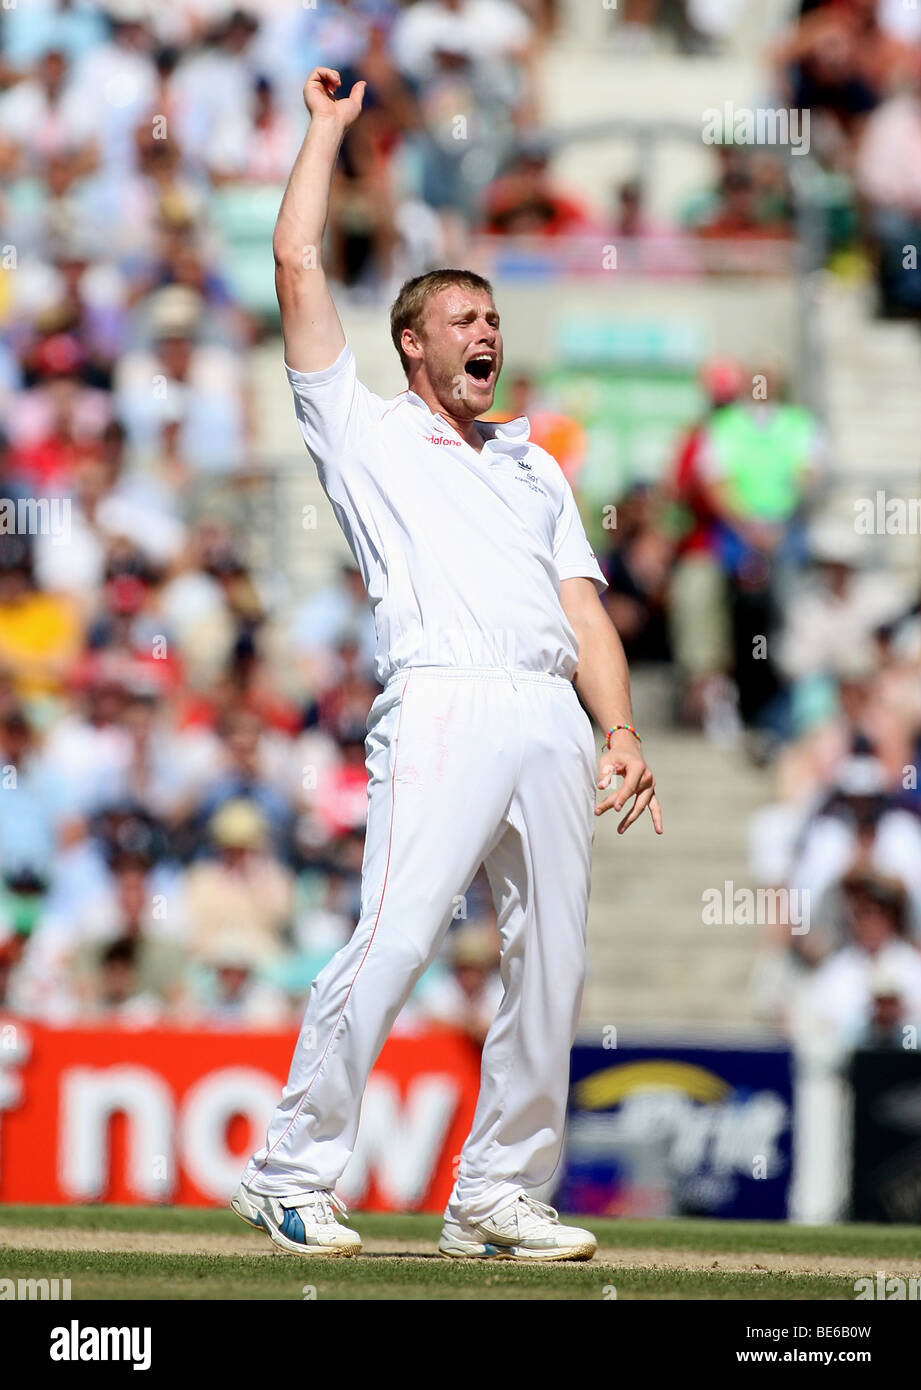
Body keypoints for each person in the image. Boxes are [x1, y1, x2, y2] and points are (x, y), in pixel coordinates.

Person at [232, 66, 662, 1263]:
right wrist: (325, 133)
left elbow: (584, 608)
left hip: (550, 716)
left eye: (496, 320)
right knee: (402, 929)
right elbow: (298, 267)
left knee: (554, 963)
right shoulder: (365, 431)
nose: (489, 335)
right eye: (465, 320)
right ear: (414, 343)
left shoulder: (535, 464)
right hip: (441, 698)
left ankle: (497, 1191)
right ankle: (289, 1169)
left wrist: (619, 731)